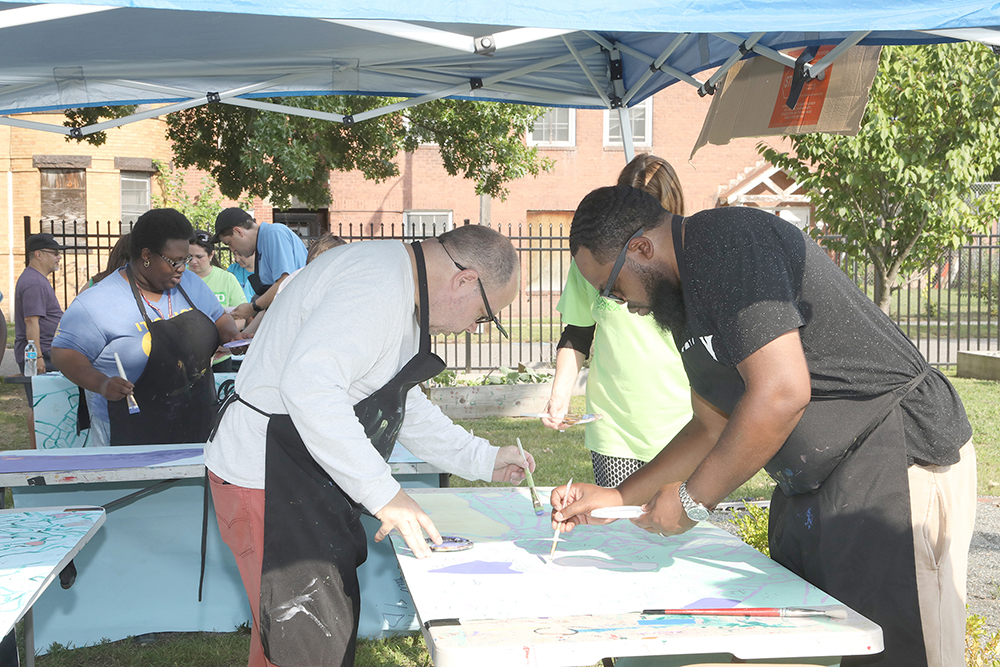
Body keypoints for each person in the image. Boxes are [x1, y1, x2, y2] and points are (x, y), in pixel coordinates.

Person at [553, 186, 975, 667]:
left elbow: (780, 392)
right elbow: (710, 426)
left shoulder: (726, 244)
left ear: (642, 248)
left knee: (895, 654)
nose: (620, 304)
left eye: (611, 288)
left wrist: (693, 500)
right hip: (818, 482)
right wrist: (617, 497)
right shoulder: (684, 297)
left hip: (892, 457)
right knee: (816, 648)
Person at [207, 224, 533, 667]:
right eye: (483, 315)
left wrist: (485, 458)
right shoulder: (377, 285)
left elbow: (401, 403)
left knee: (296, 643)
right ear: (465, 280)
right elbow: (310, 387)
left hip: (296, 476)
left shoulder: (395, 281)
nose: (473, 329)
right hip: (267, 477)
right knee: (301, 644)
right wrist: (387, 495)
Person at [543, 155, 690, 487]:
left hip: (684, 427)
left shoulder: (688, 262)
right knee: (622, 531)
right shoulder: (593, 262)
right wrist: (560, 393)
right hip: (614, 430)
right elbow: (577, 332)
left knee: (675, 532)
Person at [51, 209, 244, 447]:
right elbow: (64, 353)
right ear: (146, 256)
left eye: (185, 260)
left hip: (198, 423)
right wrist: (101, 383)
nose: (183, 268)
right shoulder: (97, 302)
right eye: (175, 261)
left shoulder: (191, 284)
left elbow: (219, 319)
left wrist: (234, 337)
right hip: (130, 431)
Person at [213, 208, 306, 321]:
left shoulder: (274, 233)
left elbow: (285, 283)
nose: (232, 250)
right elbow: (271, 303)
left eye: (229, 243)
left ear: (238, 231)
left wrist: (252, 307)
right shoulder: (263, 244)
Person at [15, 233, 64, 377]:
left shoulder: (36, 279)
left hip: (47, 352)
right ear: (38, 254)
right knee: (49, 400)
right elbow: (31, 321)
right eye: (55, 253)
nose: (59, 257)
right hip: (43, 354)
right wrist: (37, 357)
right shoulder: (34, 282)